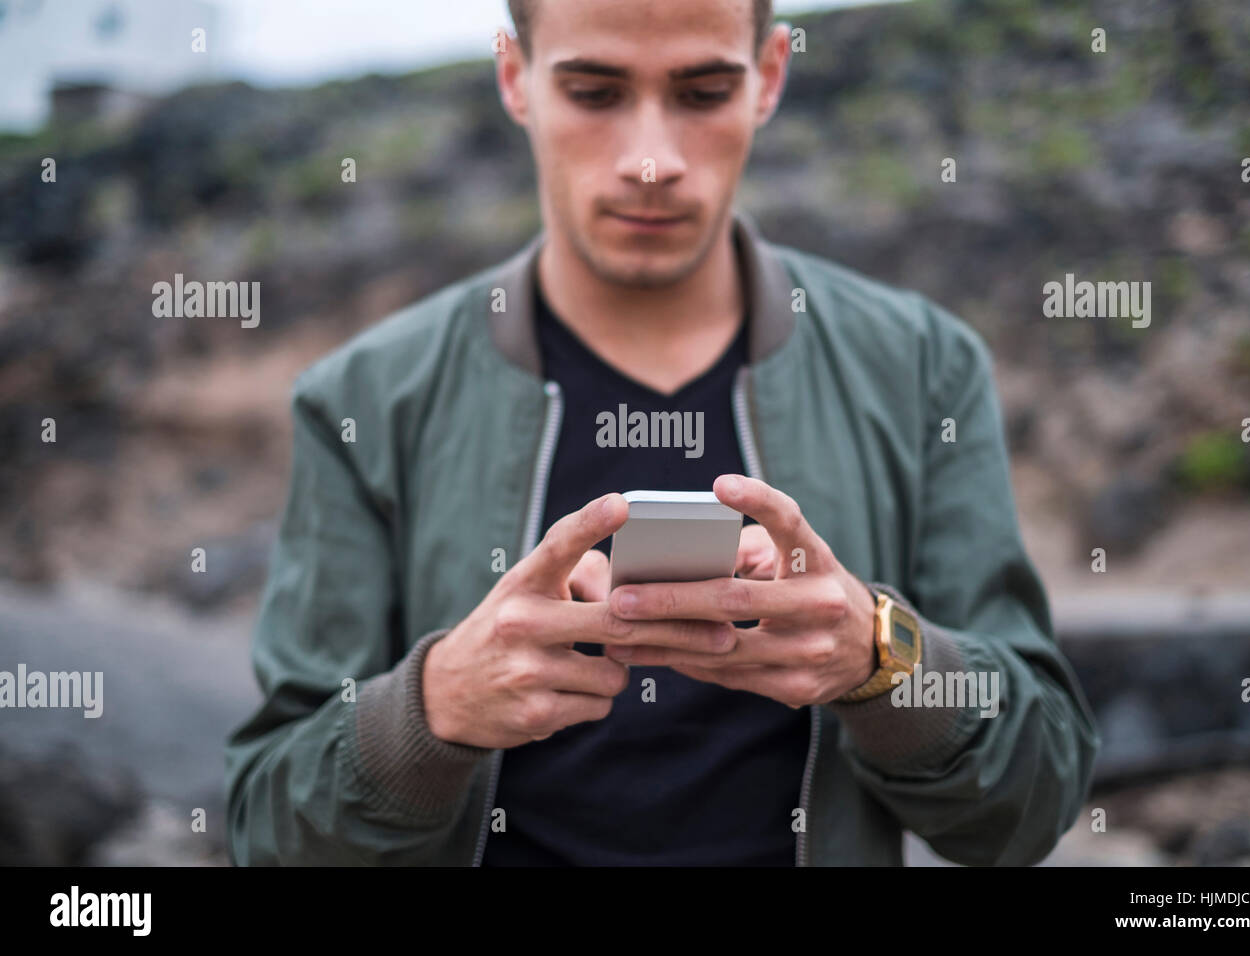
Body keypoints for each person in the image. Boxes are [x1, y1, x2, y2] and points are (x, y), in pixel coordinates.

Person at [224, 0, 1100, 866]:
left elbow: (1032, 803)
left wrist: (880, 658)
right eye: (596, 93)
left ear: (769, 77)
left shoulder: (922, 368)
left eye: (703, 92)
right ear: (513, 78)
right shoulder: (363, 399)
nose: (651, 162)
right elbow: (268, 827)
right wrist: (431, 709)